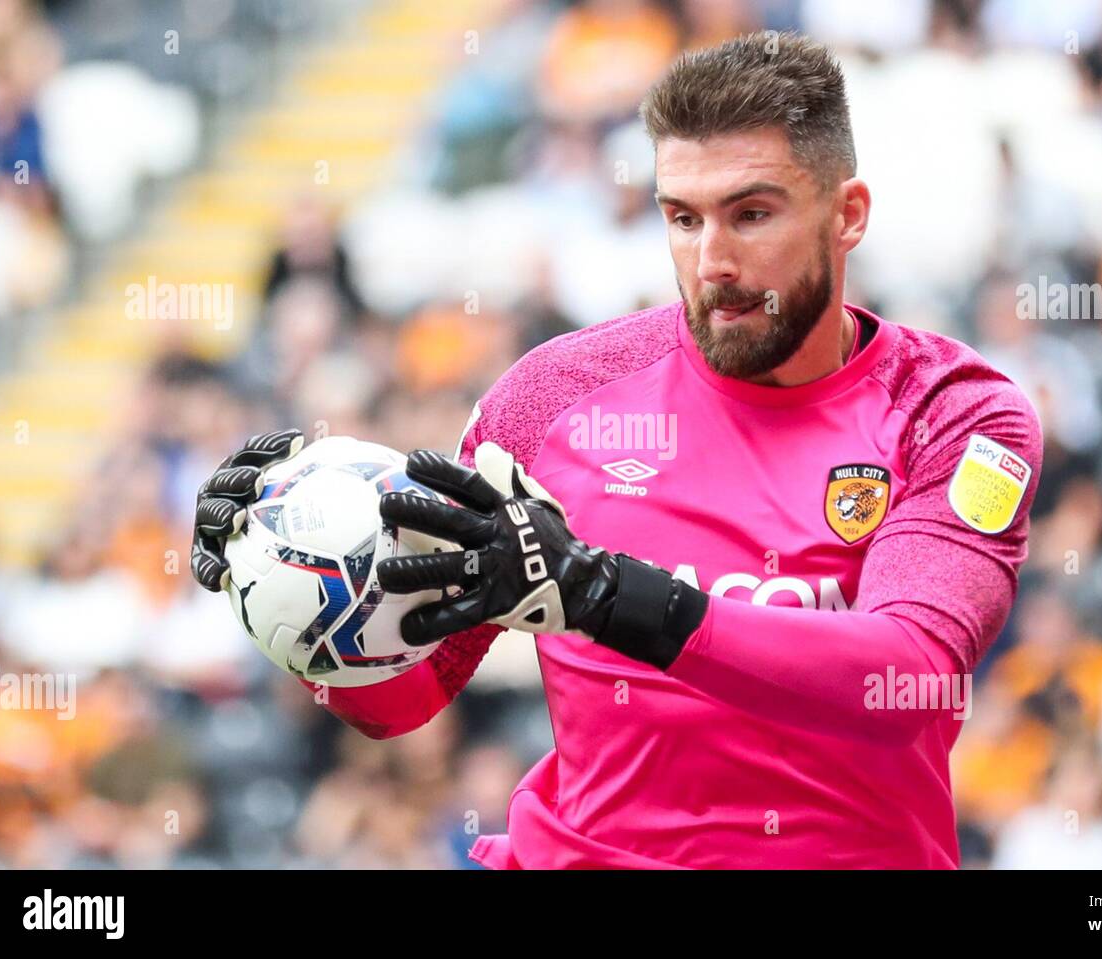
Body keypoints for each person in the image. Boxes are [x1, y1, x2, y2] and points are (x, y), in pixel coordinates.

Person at [191, 32, 1042, 868]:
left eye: (752, 214)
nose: (713, 261)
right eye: (683, 218)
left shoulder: (955, 415)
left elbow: (904, 678)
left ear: (846, 213)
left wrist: (609, 595)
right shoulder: (551, 396)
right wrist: (285, 593)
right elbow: (408, 694)